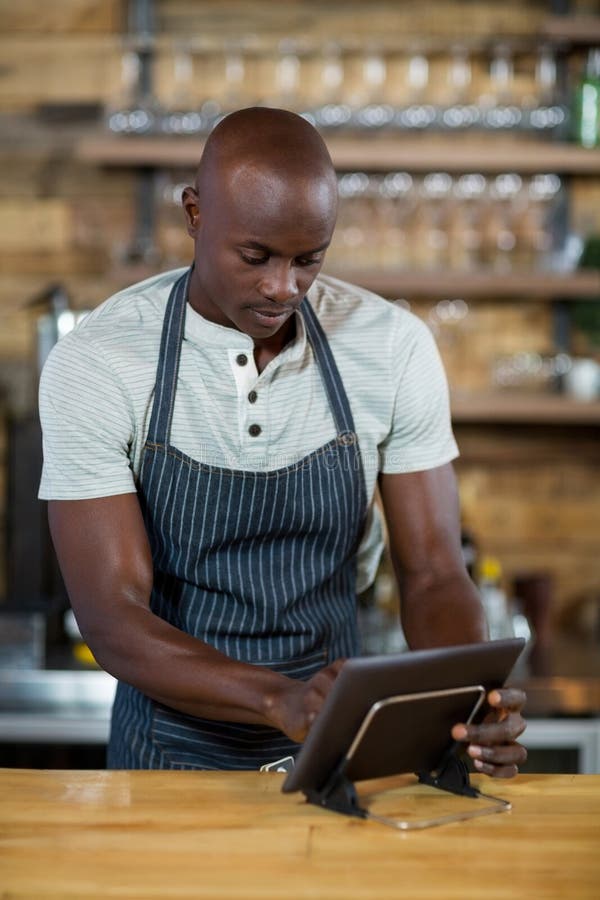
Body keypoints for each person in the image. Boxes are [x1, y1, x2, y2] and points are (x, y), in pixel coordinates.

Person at [39, 107, 526, 775]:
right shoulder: (100, 360)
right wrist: (280, 700)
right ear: (194, 213)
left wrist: (468, 700)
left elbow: (436, 572)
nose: (282, 287)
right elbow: (112, 616)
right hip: (167, 757)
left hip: (339, 743)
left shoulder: (390, 346)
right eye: (255, 256)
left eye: (309, 260)